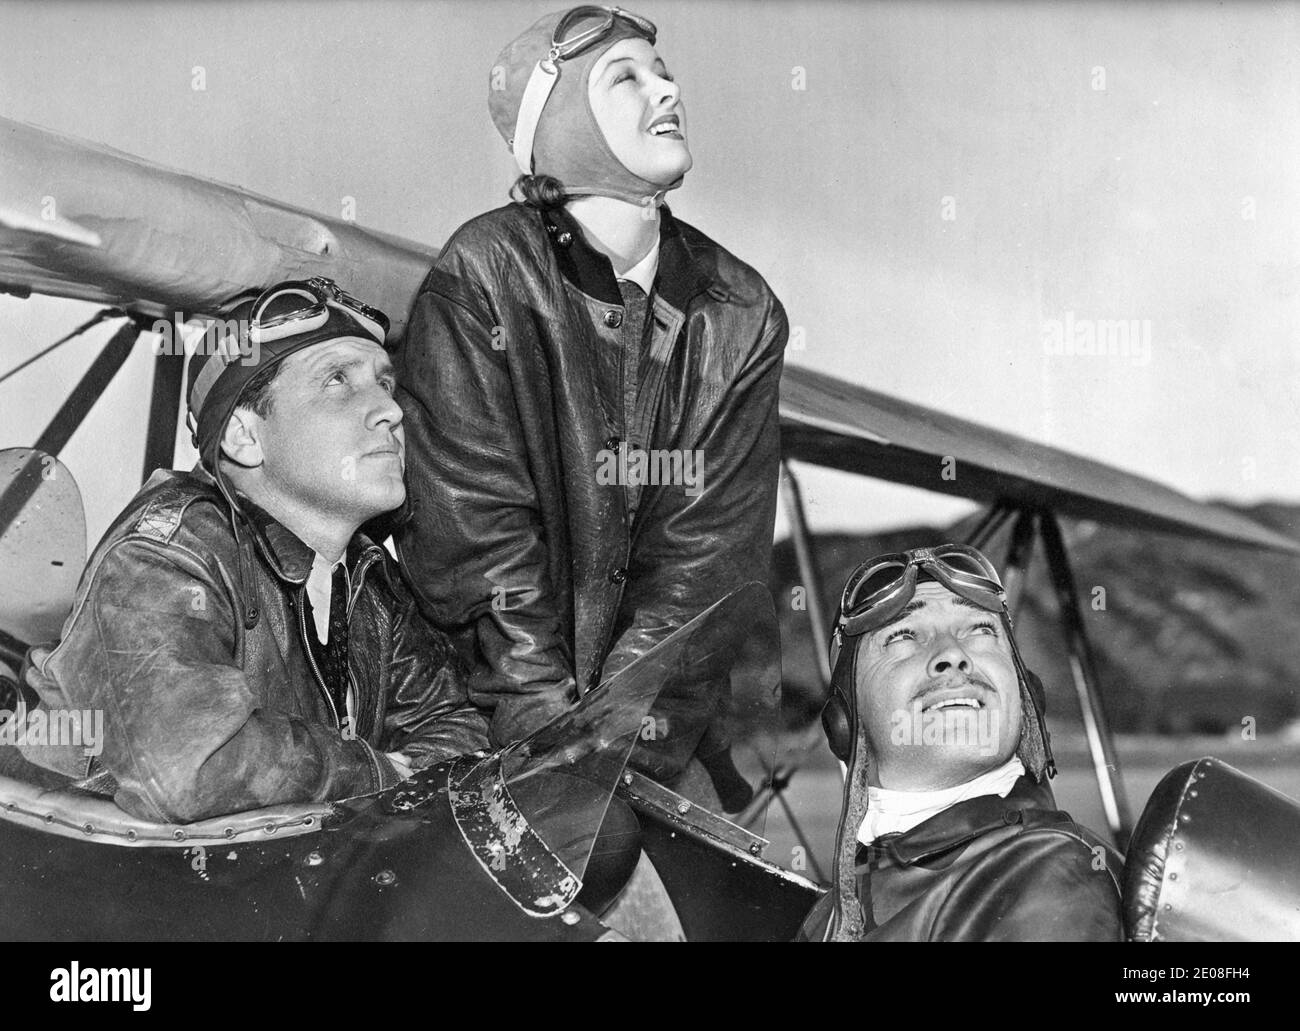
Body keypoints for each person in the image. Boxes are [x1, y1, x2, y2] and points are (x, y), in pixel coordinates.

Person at [397, 6, 787, 807]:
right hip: (484, 725)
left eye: (664, 72)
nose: (668, 89)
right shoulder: (483, 275)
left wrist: (616, 752)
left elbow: (705, 563)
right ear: (560, 121)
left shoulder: (741, 310)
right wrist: (550, 744)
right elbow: (475, 538)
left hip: (660, 738)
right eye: (627, 77)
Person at [12, 278, 489, 823]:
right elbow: (194, 764)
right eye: (338, 381)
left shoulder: (367, 580)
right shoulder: (164, 553)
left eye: (385, 383)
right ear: (245, 437)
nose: (389, 410)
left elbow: (459, 730)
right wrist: (386, 774)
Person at [799, 544, 1124, 941]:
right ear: (845, 718)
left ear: (1026, 697)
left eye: (980, 631)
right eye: (904, 635)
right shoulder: (828, 914)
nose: (953, 654)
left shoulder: (1047, 870)